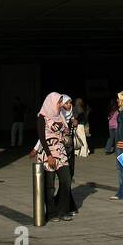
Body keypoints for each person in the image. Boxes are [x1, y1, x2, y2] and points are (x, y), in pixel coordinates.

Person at [33, 93, 77, 221]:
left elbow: (65, 131)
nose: (60, 105)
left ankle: (62, 210)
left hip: (61, 153)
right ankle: (51, 213)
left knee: (66, 181)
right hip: (48, 154)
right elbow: (42, 137)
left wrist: (70, 126)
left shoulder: (60, 115)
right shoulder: (42, 117)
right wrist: (49, 155)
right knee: (49, 185)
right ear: (51, 103)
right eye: (58, 102)